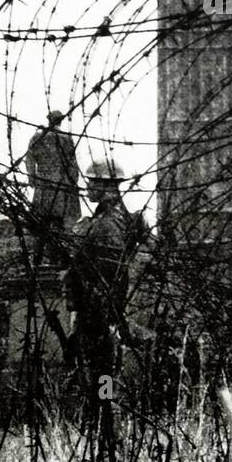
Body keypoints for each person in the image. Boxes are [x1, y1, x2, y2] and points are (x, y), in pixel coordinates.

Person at [62, 161, 151, 393]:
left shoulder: (106, 225)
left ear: (107, 187)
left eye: (92, 182)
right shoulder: (120, 220)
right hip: (105, 307)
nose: (88, 187)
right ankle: (103, 410)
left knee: (101, 366)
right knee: (103, 367)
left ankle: (104, 414)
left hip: (99, 308)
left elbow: (106, 271)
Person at [25, 110, 81, 232]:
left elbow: (29, 159)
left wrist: (32, 177)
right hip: (62, 180)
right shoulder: (67, 138)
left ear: (49, 120)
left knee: (43, 214)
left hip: (43, 179)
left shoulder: (38, 137)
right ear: (61, 121)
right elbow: (73, 163)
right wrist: (73, 181)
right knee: (59, 215)